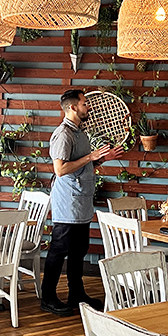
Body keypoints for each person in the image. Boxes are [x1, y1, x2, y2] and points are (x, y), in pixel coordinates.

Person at [41, 89, 124, 316]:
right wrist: (91, 157)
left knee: (79, 250)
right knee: (59, 250)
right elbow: (60, 170)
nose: (89, 107)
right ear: (73, 107)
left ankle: (76, 294)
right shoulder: (63, 135)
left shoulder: (80, 132)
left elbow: (82, 165)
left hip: (81, 203)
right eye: (85, 103)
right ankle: (47, 298)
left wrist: (103, 159)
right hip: (68, 203)